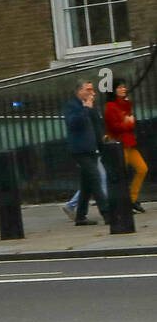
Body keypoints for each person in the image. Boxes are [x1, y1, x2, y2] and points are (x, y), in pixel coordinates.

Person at [62, 79, 111, 226]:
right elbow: (74, 123)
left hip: (91, 149)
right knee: (95, 179)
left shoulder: (89, 106)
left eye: (92, 89)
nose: (91, 92)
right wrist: (86, 108)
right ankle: (107, 213)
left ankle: (80, 216)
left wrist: (102, 141)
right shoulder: (72, 106)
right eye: (88, 89)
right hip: (79, 150)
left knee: (86, 185)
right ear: (79, 91)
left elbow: (96, 125)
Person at [104, 79, 147, 214]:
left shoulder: (126, 104)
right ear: (114, 90)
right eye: (120, 87)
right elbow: (114, 126)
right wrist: (127, 123)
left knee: (142, 168)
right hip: (120, 144)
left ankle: (132, 199)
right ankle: (122, 202)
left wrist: (127, 122)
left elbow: (131, 122)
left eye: (124, 87)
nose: (124, 89)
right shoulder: (111, 106)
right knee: (120, 175)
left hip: (130, 143)